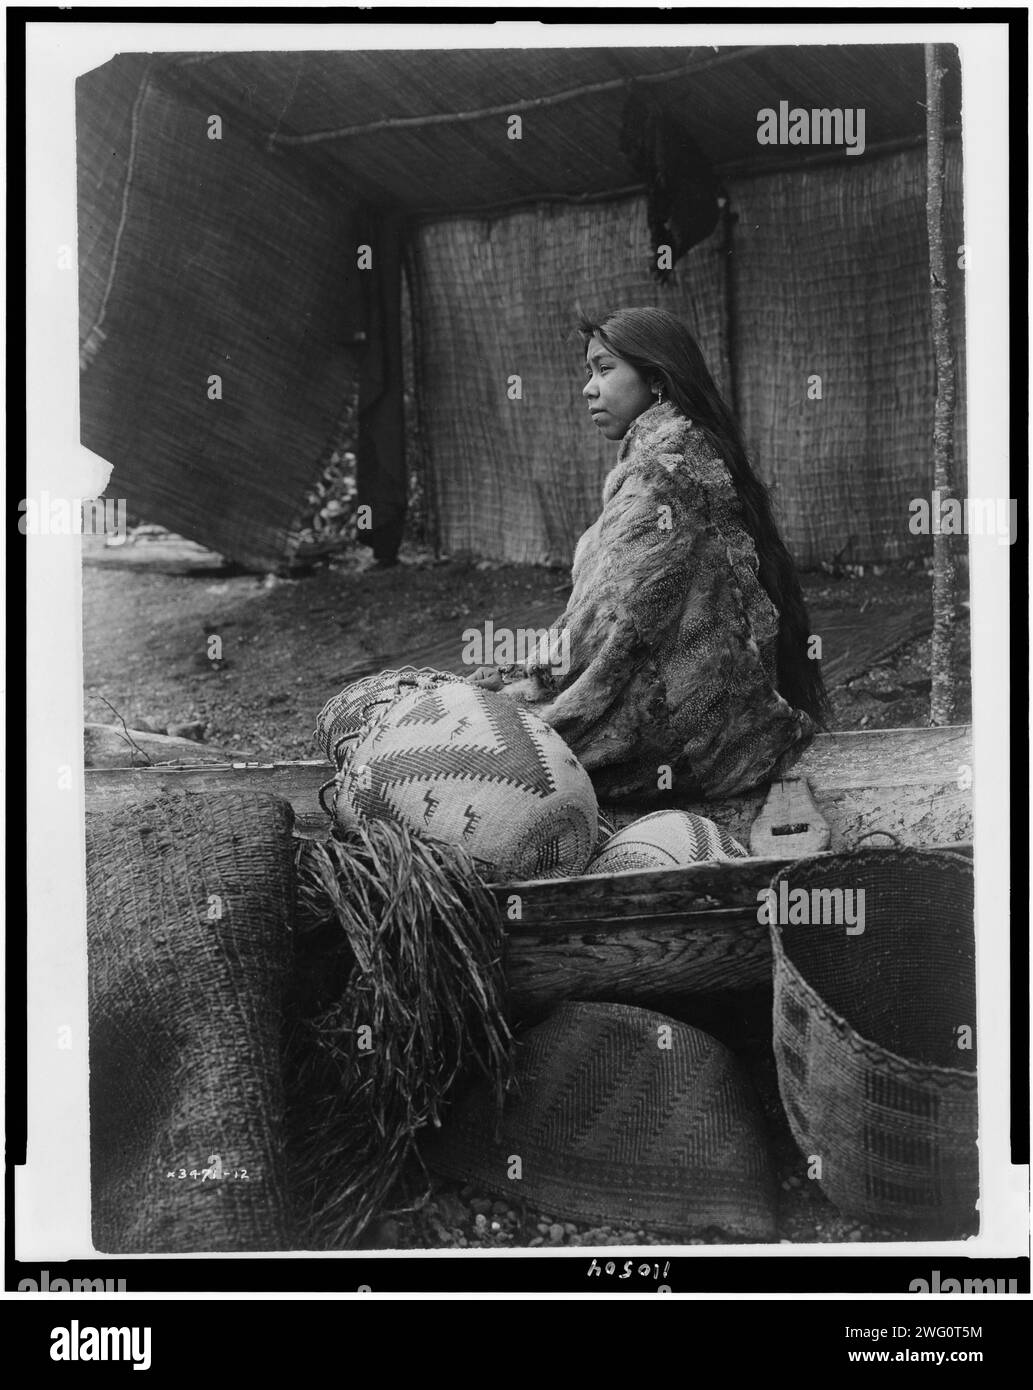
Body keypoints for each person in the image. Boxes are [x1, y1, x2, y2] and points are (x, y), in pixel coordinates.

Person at [468, 306, 830, 802]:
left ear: (656, 380)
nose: (588, 388)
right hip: (728, 732)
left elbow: (605, 623)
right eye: (588, 372)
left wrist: (524, 681)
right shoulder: (688, 452)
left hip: (688, 747)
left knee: (482, 746)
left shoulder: (663, 474)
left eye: (604, 368)